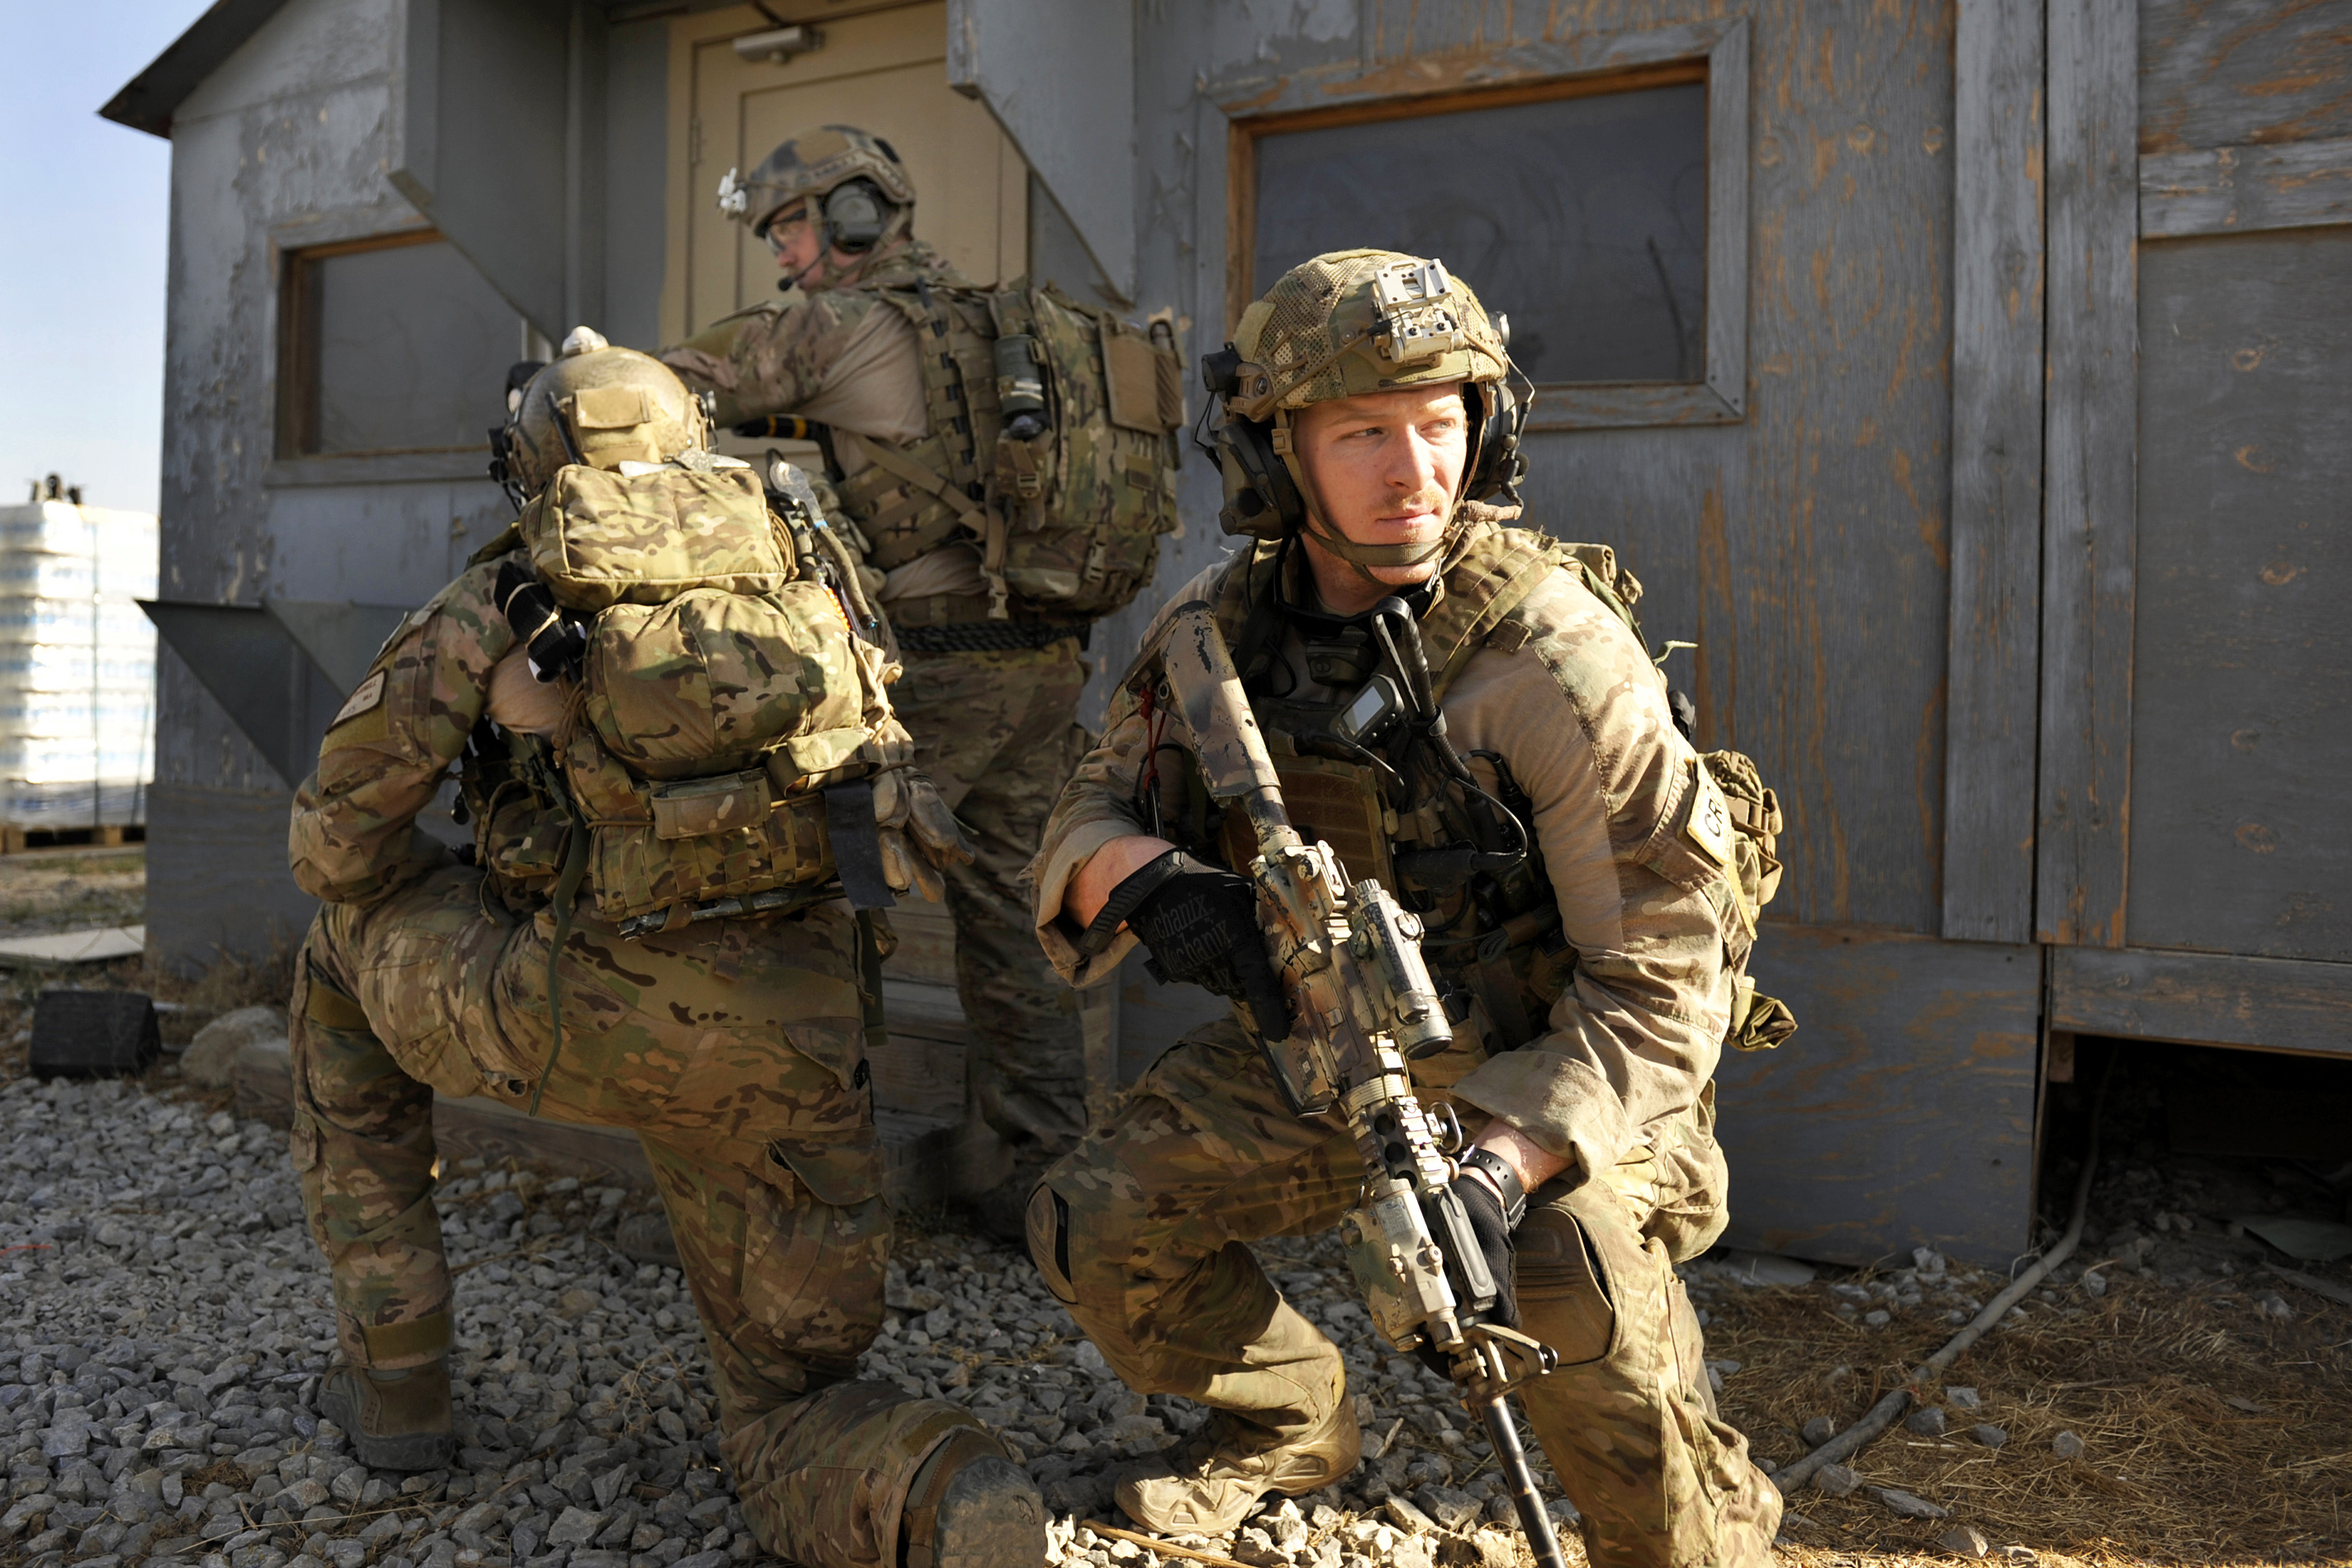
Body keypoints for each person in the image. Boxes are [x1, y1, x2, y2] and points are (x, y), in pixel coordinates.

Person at [1020, 250, 1789, 1564]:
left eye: (1441, 426)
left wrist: (1501, 1166)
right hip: (1332, 1046)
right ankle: (1288, 1425)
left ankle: (1698, 1538)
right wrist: (1150, 881)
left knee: (1562, 1287)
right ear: (1277, 454)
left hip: (1560, 1067)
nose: (1413, 468)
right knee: (1098, 1222)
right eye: (1363, 432)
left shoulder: (1546, 656)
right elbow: (1084, 813)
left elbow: (1665, 984)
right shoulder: (1218, 633)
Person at [284, 329, 1044, 1568]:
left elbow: (337, 844)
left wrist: (472, 875)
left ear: (529, 464)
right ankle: (927, 1488)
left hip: (575, 1012)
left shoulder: (503, 593)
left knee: (335, 958)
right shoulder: (816, 572)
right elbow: (873, 821)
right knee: (790, 1393)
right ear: (696, 438)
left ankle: (398, 1386)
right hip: (800, 1045)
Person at [662, 125, 1092, 1238]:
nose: (783, 255)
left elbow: (647, 390)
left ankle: (798, 1196)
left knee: (808, 902)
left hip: (931, 683)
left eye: (793, 225)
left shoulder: (835, 326)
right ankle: (1051, 1186)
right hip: (1042, 668)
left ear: (857, 214)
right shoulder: (1003, 326)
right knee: (1012, 923)